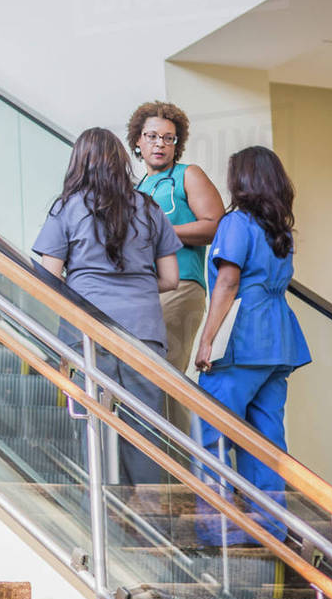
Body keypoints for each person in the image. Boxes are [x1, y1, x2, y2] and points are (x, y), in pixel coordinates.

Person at [32, 127, 181, 485]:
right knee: (145, 430)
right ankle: (150, 517)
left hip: (87, 331)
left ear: (79, 163)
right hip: (143, 332)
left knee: (93, 424)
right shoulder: (148, 208)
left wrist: (86, 287)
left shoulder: (66, 207)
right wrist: (137, 286)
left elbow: (47, 277)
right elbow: (171, 279)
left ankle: (100, 515)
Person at [193, 146, 311, 544]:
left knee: (210, 431)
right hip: (279, 340)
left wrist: (206, 340)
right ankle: (270, 528)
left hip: (243, 338)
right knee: (267, 439)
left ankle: (214, 530)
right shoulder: (280, 230)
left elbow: (227, 283)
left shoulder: (237, 223)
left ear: (240, 180)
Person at [127, 102, 225, 437]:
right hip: (146, 291)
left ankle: (181, 467)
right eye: (152, 136)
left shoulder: (188, 175)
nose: (160, 144)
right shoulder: (135, 190)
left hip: (182, 285)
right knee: (145, 376)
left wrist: (161, 232)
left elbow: (214, 226)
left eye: (168, 138)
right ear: (137, 141)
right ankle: (157, 460)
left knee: (164, 375)